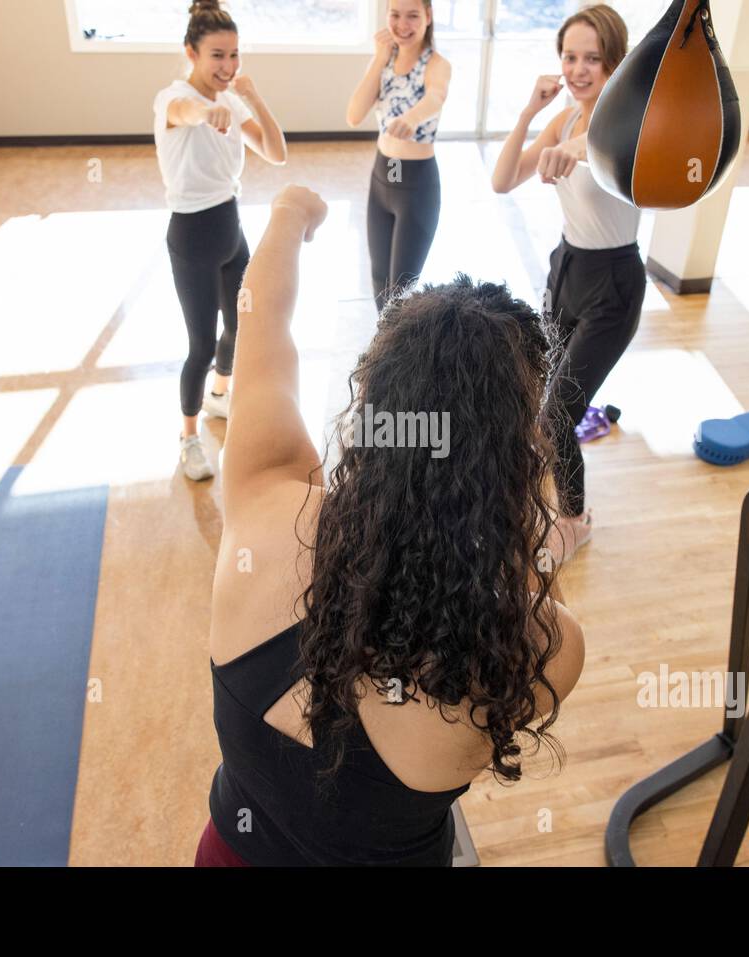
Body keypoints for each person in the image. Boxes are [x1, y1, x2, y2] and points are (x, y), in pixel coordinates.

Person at [195, 184, 585, 866]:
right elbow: (513, 581)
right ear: (514, 463)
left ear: (375, 409)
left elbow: (260, 325)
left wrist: (290, 215)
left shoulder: (266, 503)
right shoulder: (539, 644)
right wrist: (512, 518)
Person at [491, 4, 646, 564]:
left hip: (614, 285)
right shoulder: (565, 120)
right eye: (570, 56)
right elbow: (502, 180)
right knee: (540, 395)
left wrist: (575, 149)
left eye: (593, 59)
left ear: (615, 64)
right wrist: (531, 114)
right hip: (567, 272)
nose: (579, 69)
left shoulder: (628, 123)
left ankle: (575, 519)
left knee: (559, 411)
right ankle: (543, 482)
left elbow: (606, 148)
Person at [154, 0, 287, 481]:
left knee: (241, 325)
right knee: (201, 345)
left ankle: (218, 396)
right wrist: (207, 110)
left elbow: (276, 153)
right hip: (191, 235)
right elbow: (185, 110)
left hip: (231, 230)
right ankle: (189, 438)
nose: (228, 67)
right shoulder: (173, 98)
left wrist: (253, 99)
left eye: (234, 55)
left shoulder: (231, 98)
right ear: (190, 52)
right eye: (217, 56)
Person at [346, 0, 452, 312]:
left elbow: (436, 96)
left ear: (428, 17)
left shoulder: (437, 64)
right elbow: (353, 116)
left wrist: (411, 117)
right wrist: (379, 59)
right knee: (379, 281)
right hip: (385, 174)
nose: (402, 25)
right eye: (395, 15)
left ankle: (399, 355)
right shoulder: (383, 60)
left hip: (416, 184)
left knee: (401, 289)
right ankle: (384, 351)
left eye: (412, 16)